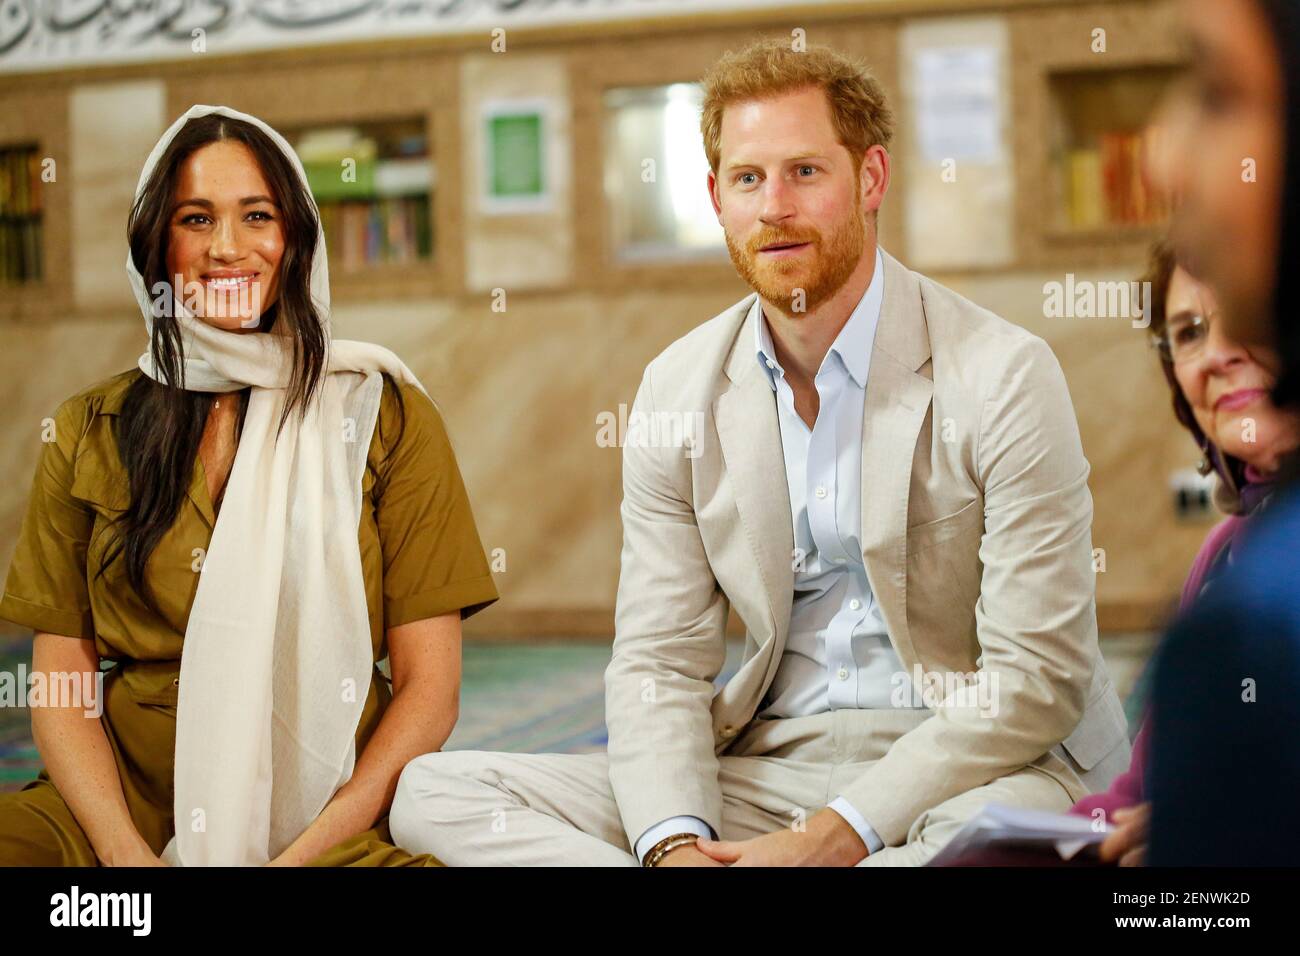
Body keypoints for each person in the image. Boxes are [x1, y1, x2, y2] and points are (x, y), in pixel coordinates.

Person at [390, 39, 1129, 867]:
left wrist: (836, 834)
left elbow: (1037, 677)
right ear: (715, 197)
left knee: (978, 850)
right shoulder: (678, 390)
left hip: (974, 762)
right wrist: (673, 843)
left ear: (871, 178)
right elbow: (659, 662)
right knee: (434, 794)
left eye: (805, 172)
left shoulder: (1003, 373)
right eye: (747, 179)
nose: (773, 206)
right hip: (769, 765)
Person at [0, 105, 498, 866]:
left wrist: (300, 858)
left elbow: (429, 692)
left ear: (294, 238)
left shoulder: (381, 414)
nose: (228, 248)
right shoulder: (89, 426)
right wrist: (126, 858)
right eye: (196, 219)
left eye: (257, 216)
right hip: (121, 804)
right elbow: (60, 686)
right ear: (157, 247)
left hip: (325, 813)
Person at [1068, 241, 1299, 866]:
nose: (1220, 353)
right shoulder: (1226, 551)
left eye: (1247, 312)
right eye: (1190, 332)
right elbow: (1143, 789)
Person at [1140, 0, 1300, 865]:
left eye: (1219, 90)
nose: (1163, 152)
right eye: (1186, 335)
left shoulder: (1261, 625)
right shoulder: (1232, 565)